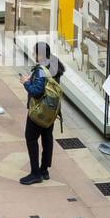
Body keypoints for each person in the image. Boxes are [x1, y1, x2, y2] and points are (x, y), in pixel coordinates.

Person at [18, 44, 63, 185]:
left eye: (35, 52)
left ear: (40, 54)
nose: (33, 55)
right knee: (47, 138)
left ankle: (35, 173)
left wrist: (26, 83)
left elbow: (37, 91)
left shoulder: (41, 70)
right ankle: (44, 170)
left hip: (39, 111)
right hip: (51, 110)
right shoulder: (54, 65)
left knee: (31, 138)